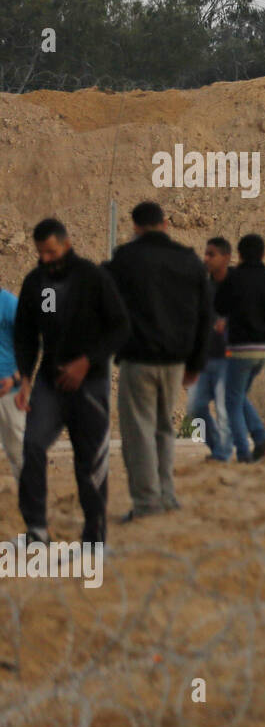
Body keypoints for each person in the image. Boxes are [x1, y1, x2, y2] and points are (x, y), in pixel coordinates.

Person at [13, 219, 130, 546]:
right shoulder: (35, 282)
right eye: (40, 253)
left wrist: (87, 361)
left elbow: (120, 327)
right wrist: (25, 378)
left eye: (50, 251)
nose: (46, 258)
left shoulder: (93, 278)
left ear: (66, 244)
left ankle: (94, 535)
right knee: (33, 446)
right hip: (50, 384)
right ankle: (36, 530)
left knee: (89, 461)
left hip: (89, 384)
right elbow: (25, 335)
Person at [107, 202, 210, 523]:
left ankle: (146, 504)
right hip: (175, 361)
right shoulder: (189, 260)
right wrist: (195, 362)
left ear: (135, 226)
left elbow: (105, 306)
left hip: (138, 360)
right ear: (165, 224)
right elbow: (205, 315)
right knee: (165, 429)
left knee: (139, 431)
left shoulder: (124, 260)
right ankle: (167, 497)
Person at [214, 234, 265, 464]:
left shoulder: (235, 277)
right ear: (263, 254)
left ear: (239, 255)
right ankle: (260, 437)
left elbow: (220, 305)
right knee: (238, 395)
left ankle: (244, 452)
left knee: (230, 400)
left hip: (241, 347)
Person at [186, 237, 233, 463]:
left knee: (224, 410)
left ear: (225, 257)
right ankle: (218, 448)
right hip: (203, 357)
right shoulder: (202, 288)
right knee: (195, 409)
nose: (206, 258)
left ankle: (223, 455)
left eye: (211, 254)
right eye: (205, 254)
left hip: (227, 357)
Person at [0, 282, 22, 479]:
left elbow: (30, 341)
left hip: (9, 392)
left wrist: (14, 376)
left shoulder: (8, 304)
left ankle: (31, 503)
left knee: (18, 451)